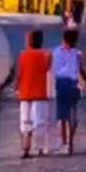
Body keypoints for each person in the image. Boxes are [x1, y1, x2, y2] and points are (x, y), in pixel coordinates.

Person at [52, 28, 86, 155]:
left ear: (63, 39)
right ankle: (71, 142)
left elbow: (53, 70)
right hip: (74, 84)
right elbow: (80, 70)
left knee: (62, 116)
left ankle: (65, 144)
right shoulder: (78, 54)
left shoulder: (57, 52)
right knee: (73, 111)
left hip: (61, 83)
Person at [15, 29, 52, 158]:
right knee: (39, 122)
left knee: (25, 122)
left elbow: (19, 74)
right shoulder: (46, 55)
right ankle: (40, 148)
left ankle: (26, 148)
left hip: (25, 93)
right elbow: (48, 70)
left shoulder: (22, 55)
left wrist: (16, 89)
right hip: (40, 93)